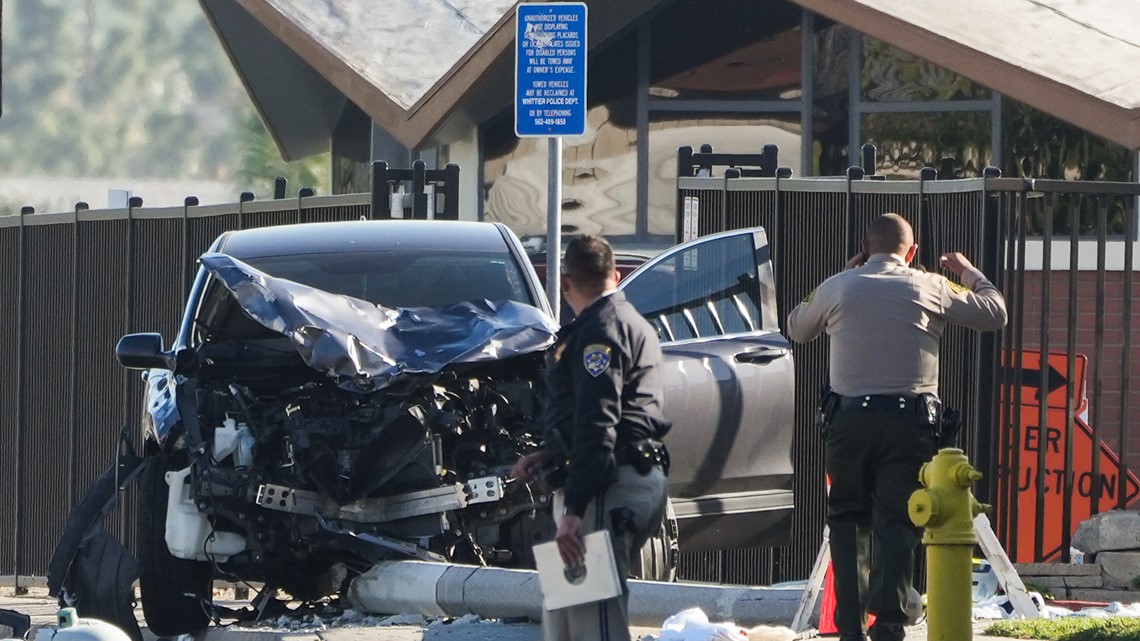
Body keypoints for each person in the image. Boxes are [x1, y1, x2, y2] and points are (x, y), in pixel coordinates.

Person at [786, 213, 1007, 641]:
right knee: (899, 520)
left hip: (848, 423)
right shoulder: (931, 285)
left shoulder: (839, 285)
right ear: (913, 251)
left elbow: (797, 327)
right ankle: (889, 624)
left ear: (865, 248)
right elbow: (995, 313)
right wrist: (965, 271)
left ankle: (850, 627)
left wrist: (846, 276)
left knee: (847, 521)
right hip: (908, 424)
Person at [511, 234, 671, 641]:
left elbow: (599, 424)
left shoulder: (600, 332)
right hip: (625, 472)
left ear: (565, 284)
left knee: (593, 622)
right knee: (565, 620)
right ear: (615, 275)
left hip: (607, 485)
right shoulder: (632, 321)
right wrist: (550, 454)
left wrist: (575, 512)